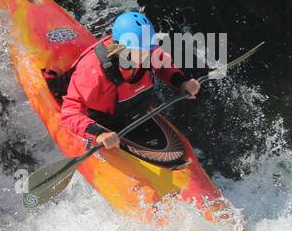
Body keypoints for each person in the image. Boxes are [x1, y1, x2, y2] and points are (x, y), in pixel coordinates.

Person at [59, 11, 200, 150]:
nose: (148, 54)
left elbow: (164, 65)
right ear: (122, 48)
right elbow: (70, 112)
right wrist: (99, 134)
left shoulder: (145, 50)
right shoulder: (93, 71)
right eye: (142, 50)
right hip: (100, 122)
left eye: (149, 48)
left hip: (130, 115)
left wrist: (182, 82)